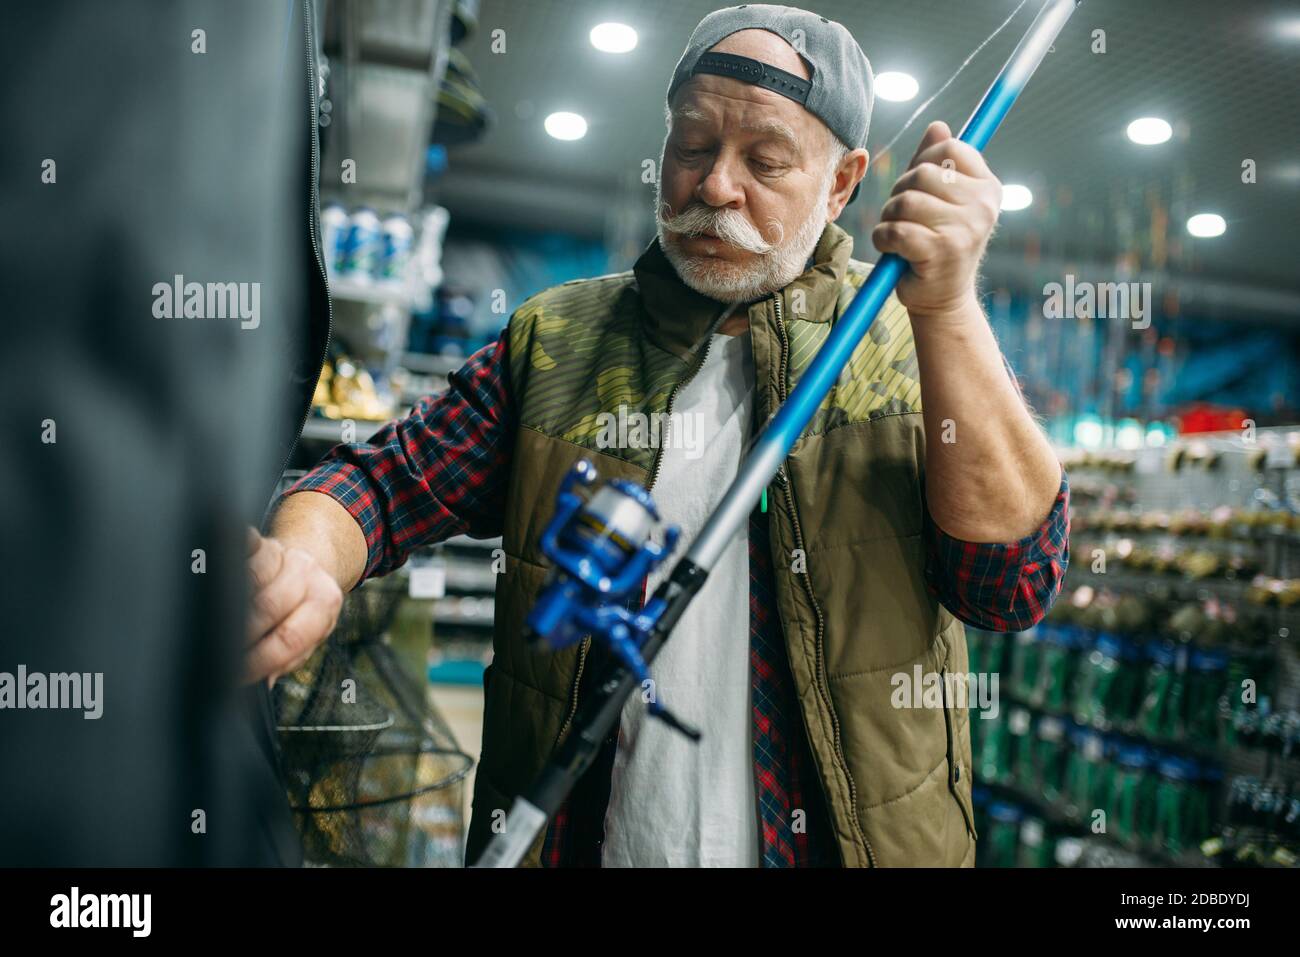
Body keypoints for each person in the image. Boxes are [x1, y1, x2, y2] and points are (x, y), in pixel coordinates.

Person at [248, 4, 1069, 867]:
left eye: (766, 159)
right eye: (691, 146)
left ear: (841, 182)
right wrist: (301, 559)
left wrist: (947, 308)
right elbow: (384, 486)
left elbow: (1008, 586)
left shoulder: (912, 341)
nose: (715, 185)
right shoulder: (558, 341)